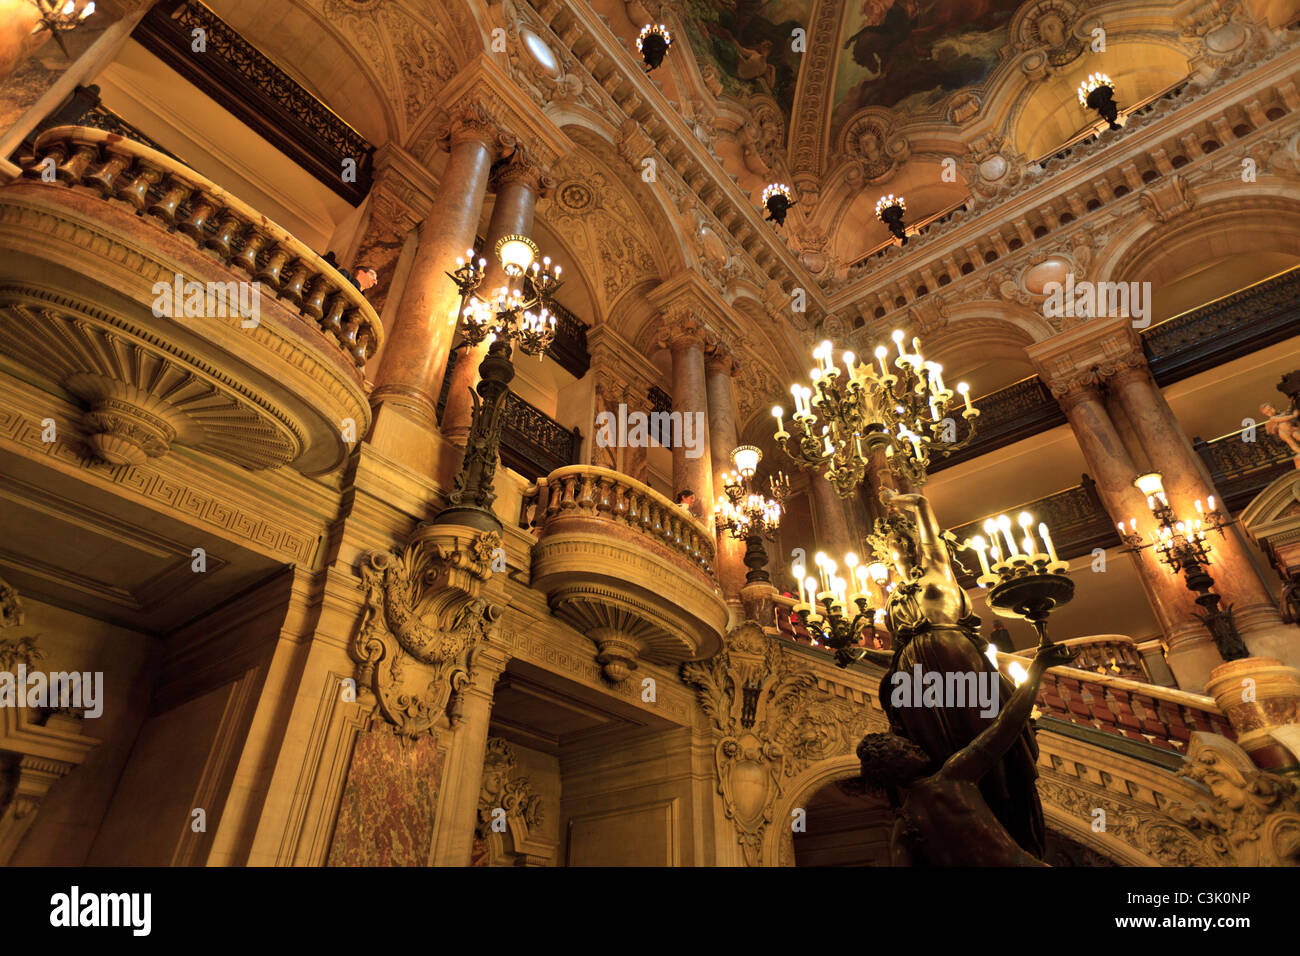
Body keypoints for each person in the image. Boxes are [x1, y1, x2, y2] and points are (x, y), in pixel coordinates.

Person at [858, 641, 1073, 866]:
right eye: (906, 748)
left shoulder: (904, 826)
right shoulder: (951, 778)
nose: (915, 746)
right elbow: (1006, 724)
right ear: (897, 765)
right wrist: (1038, 667)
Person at [1261, 403, 1300, 467]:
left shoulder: (1282, 413)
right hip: (1284, 433)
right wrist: (1293, 416)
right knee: (1290, 441)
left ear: (1273, 407)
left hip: (1292, 429)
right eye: (1267, 412)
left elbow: (1291, 411)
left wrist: (1295, 412)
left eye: (1270, 409)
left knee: (1297, 435)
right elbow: (1282, 419)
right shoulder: (1272, 419)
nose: (1270, 412)